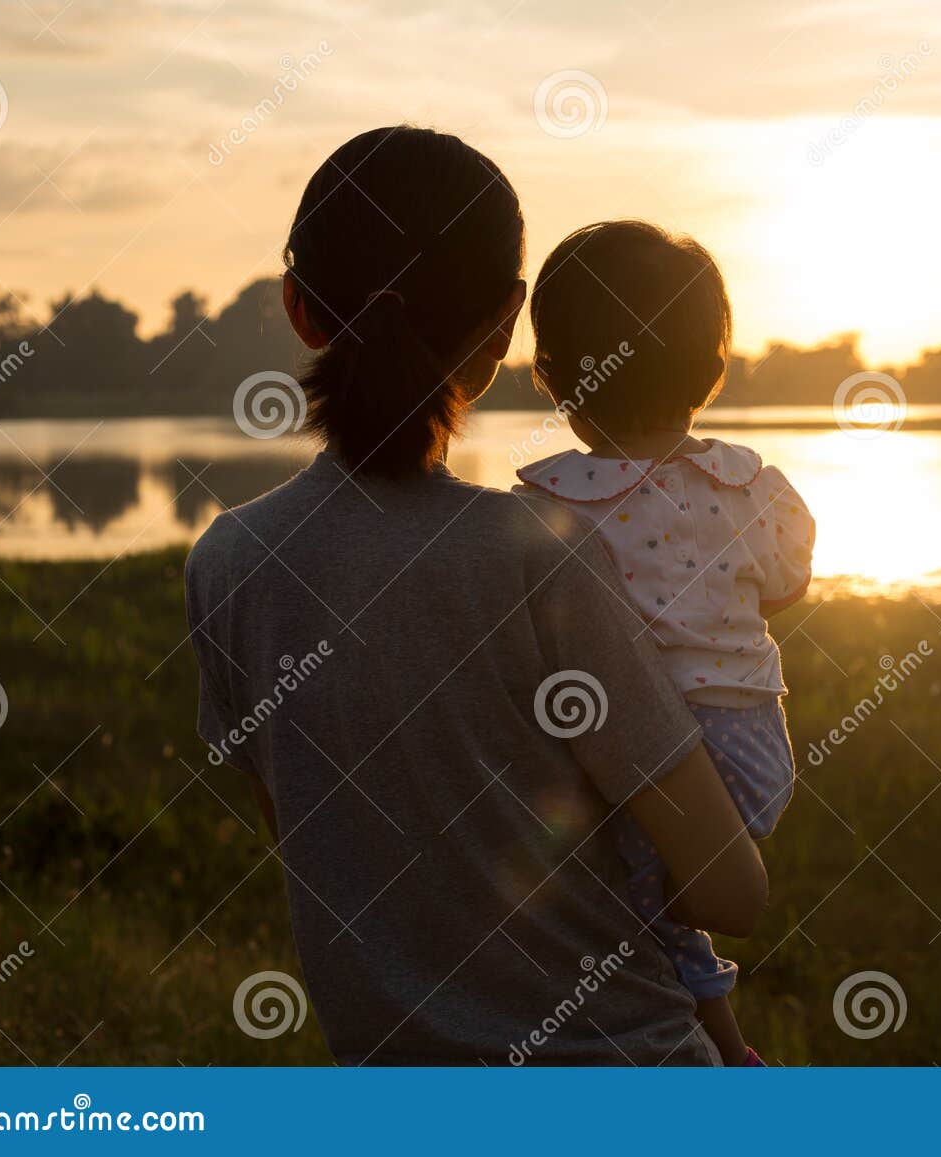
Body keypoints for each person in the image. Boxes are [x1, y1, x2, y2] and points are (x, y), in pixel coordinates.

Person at [185, 127, 766, 1065]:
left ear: (298, 306)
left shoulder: (228, 564)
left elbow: (322, 856)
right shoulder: (540, 555)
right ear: (507, 326)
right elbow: (731, 894)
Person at [517, 220, 815, 1064]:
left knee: (628, 906)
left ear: (553, 376)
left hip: (664, 751)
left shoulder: (552, 504)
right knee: (647, 905)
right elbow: (788, 586)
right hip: (758, 749)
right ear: (710, 367)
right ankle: (715, 1040)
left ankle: (723, 1043)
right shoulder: (749, 483)